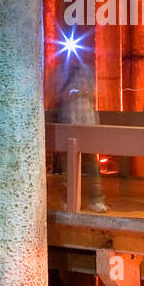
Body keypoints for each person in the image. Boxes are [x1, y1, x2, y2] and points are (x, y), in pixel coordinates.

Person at [53, 55, 108, 213]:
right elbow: (55, 95)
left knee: (91, 164)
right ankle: (69, 200)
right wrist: (70, 93)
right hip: (68, 122)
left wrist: (84, 91)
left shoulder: (88, 71)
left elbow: (95, 93)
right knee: (68, 166)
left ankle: (96, 200)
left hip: (87, 123)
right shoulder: (60, 72)